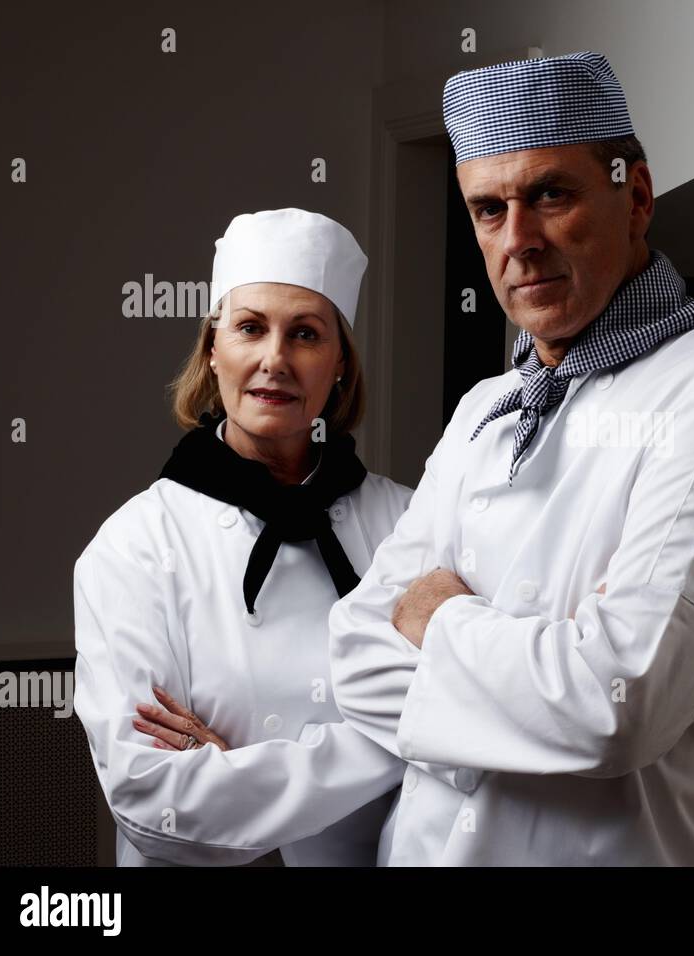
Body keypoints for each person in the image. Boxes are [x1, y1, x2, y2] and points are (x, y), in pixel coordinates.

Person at [328, 53, 694, 865]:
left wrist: (439, 616)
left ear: (637, 197)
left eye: (550, 194)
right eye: (488, 210)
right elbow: (352, 658)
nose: (518, 241)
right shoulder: (487, 409)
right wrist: (540, 669)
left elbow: (612, 705)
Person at [74, 208, 410, 866]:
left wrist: (236, 779)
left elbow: (465, 736)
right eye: (250, 328)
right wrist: (393, 742)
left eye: (306, 334)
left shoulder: (408, 524)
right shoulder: (137, 546)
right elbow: (151, 797)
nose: (274, 360)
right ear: (212, 347)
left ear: (340, 363)